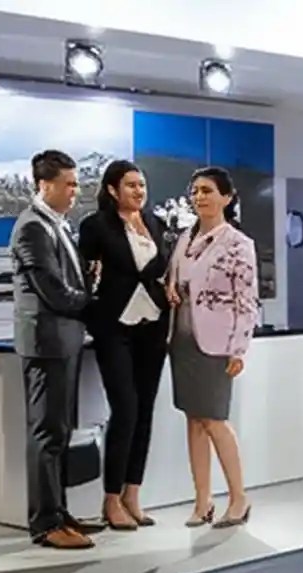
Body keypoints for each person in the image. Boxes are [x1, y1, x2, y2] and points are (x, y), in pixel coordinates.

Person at [10, 149, 105, 549]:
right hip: (47, 346)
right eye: (68, 184)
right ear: (43, 185)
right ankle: (45, 524)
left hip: (65, 345)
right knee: (47, 435)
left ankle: (60, 515)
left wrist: (87, 282)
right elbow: (55, 293)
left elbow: (70, 285)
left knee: (60, 433)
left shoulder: (57, 226)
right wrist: (96, 300)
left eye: (76, 183)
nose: (74, 191)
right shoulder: (32, 228)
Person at [165, 166, 259, 528]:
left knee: (214, 419)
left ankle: (239, 498)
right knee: (193, 419)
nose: (199, 196)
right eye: (195, 191)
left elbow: (246, 299)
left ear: (226, 197)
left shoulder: (237, 243)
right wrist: (170, 288)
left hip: (217, 343)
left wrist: (239, 348)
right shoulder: (185, 238)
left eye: (207, 190)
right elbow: (177, 279)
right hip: (183, 339)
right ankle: (202, 500)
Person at [78, 160, 170, 531]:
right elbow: (85, 275)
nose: (138, 191)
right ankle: (111, 499)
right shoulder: (95, 225)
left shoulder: (156, 224)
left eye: (142, 185)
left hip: (152, 326)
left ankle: (133, 493)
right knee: (126, 408)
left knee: (145, 411)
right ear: (113, 189)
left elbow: (160, 270)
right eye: (131, 185)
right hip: (114, 326)